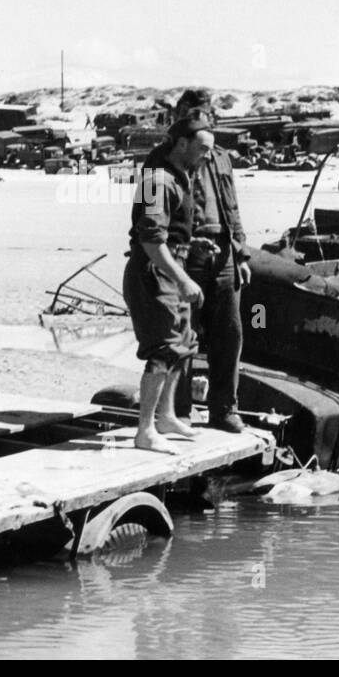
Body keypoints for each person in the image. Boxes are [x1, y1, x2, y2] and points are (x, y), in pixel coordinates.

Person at [123, 112, 214, 454]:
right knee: (162, 350)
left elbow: (169, 232)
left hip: (170, 265)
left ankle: (166, 416)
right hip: (154, 274)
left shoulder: (178, 175)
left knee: (182, 345)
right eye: (203, 149)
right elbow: (150, 240)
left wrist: (192, 245)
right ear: (182, 143)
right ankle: (144, 431)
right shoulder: (158, 180)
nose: (208, 157)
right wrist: (184, 280)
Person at [169, 89, 251, 434]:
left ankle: (224, 410)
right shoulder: (164, 159)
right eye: (190, 113)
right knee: (183, 336)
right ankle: (180, 412)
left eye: (203, 113)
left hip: (224, 254)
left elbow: (231, 206)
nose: (198, 119)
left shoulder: (220, 157)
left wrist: (242, 253)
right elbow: (149, 216)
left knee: (229, 334)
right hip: (186, 256)